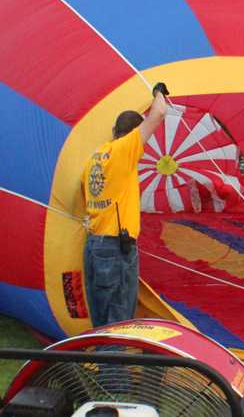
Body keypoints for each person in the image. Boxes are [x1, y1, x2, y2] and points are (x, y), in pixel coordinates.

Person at [82, 82, 170, 327]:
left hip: (94, 244)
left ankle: (103, 362)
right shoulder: (124, 151)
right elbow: (159, 113)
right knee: (118, 319)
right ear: (134, 134)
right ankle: (113, 364)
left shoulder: (97, 156)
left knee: (102, 320)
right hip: (114, 248)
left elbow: (84, 193)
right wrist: (158, 92)